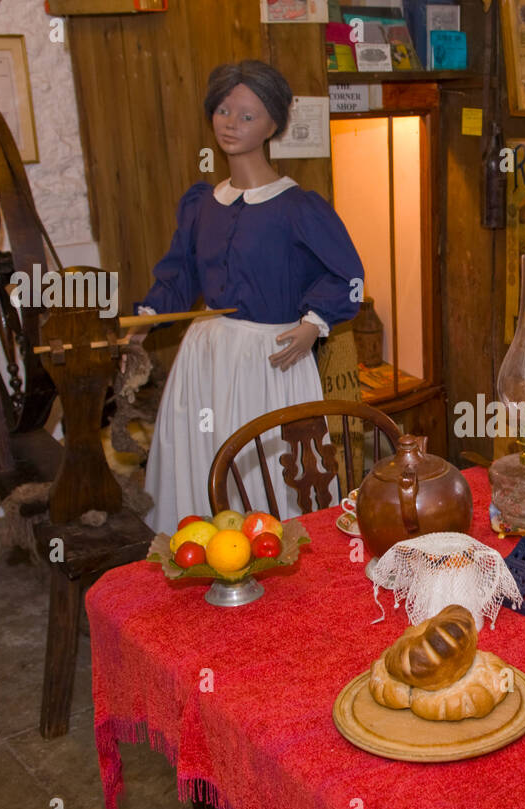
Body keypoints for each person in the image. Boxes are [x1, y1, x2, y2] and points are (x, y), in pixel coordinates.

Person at [132, 61, 364, 529]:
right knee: (206, 458)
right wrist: (145, 319)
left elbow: (349, 276)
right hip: (206, 359)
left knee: (267, 469)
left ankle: (276, 565)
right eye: (222, 110)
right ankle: (201, 553)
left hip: (271, 360)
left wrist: (311, 325)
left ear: (273, 124)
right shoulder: (201, 204)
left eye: (247, 115)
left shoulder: (299, 208)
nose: (230, 123)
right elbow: (179, 274)